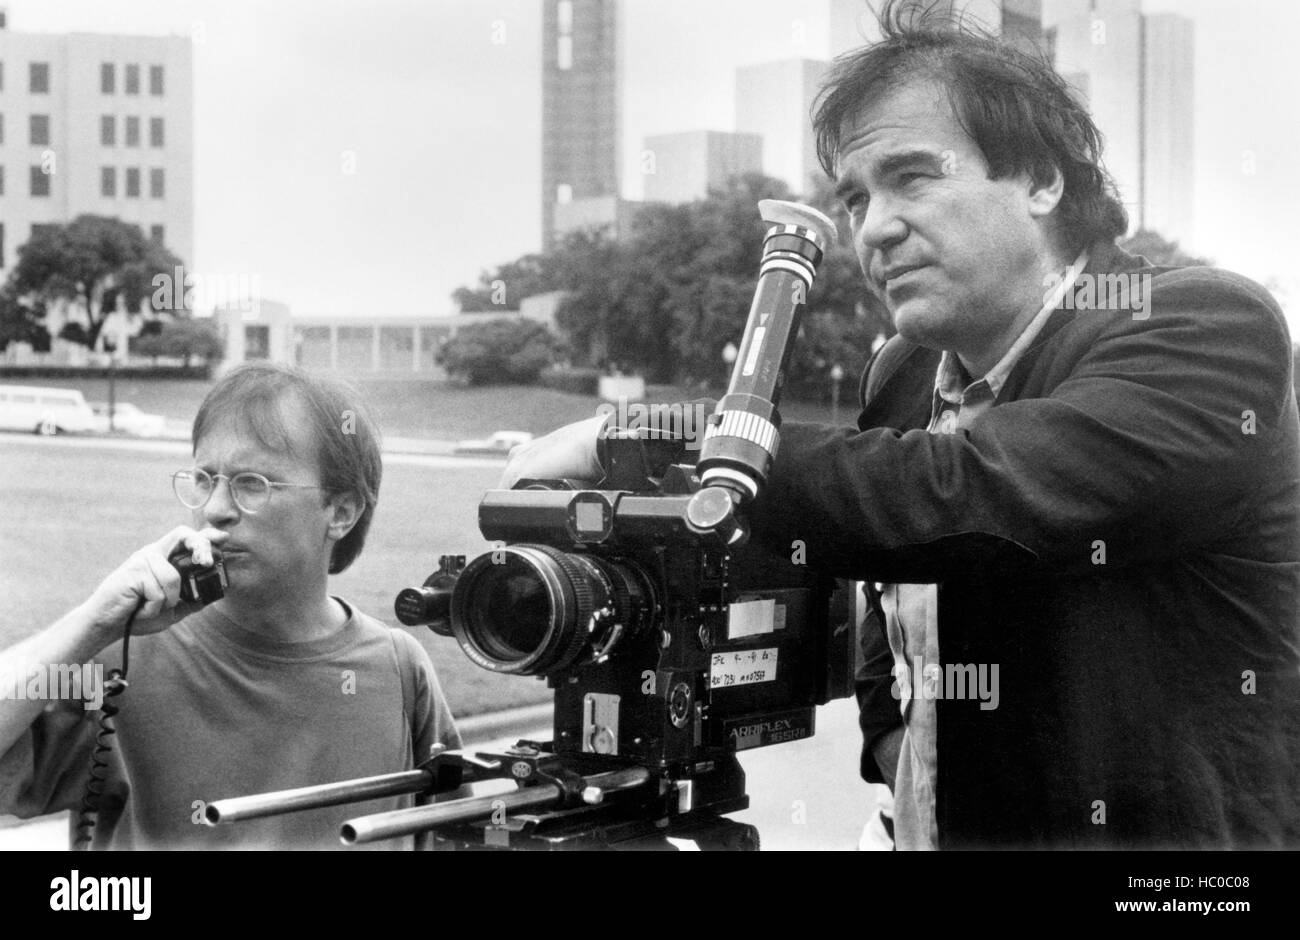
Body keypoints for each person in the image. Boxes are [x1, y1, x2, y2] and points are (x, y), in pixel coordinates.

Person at [501, 2, 1300, 849]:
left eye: (913, 177)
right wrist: (895, 753)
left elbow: (970, 501)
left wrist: (646, 431)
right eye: (854, 198)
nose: (874, 227)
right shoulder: (905, 372)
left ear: (1041, 180)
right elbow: (878, 576)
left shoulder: (1203, 326)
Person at [0, 362, 461, 849]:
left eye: (252, 483)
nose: (215, 508)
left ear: (340, 511)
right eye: (204, 478)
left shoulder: (398, 670)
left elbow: (458, 835)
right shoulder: (122, 656)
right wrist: (93, 623)